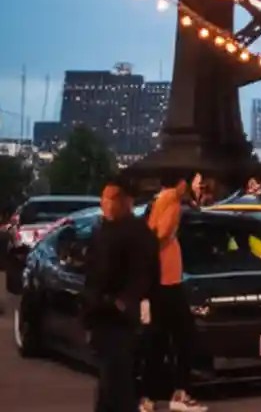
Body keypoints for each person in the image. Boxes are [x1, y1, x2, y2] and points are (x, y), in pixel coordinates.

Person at [83, 176, 153, 412]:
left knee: (117, 382)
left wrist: (124, 301)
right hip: (101, 314)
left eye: (111, 198)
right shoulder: (102, 231)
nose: (105, 203)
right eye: (103, 198)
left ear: (125, 201)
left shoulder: (136, 233)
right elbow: (92, 273)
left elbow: (144, 272)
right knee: (109, 382)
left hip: (118, 317)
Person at [143, 172, 207, 412]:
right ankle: (177, 392)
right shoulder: (172, 201)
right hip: (167, 283)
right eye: (197, 181)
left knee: (160, 340)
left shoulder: (161, 200)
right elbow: (160, 234)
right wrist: (168, 238)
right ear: (183, 183)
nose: (200, 185)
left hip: (163, 282)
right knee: (183, 337)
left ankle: (151, 397)